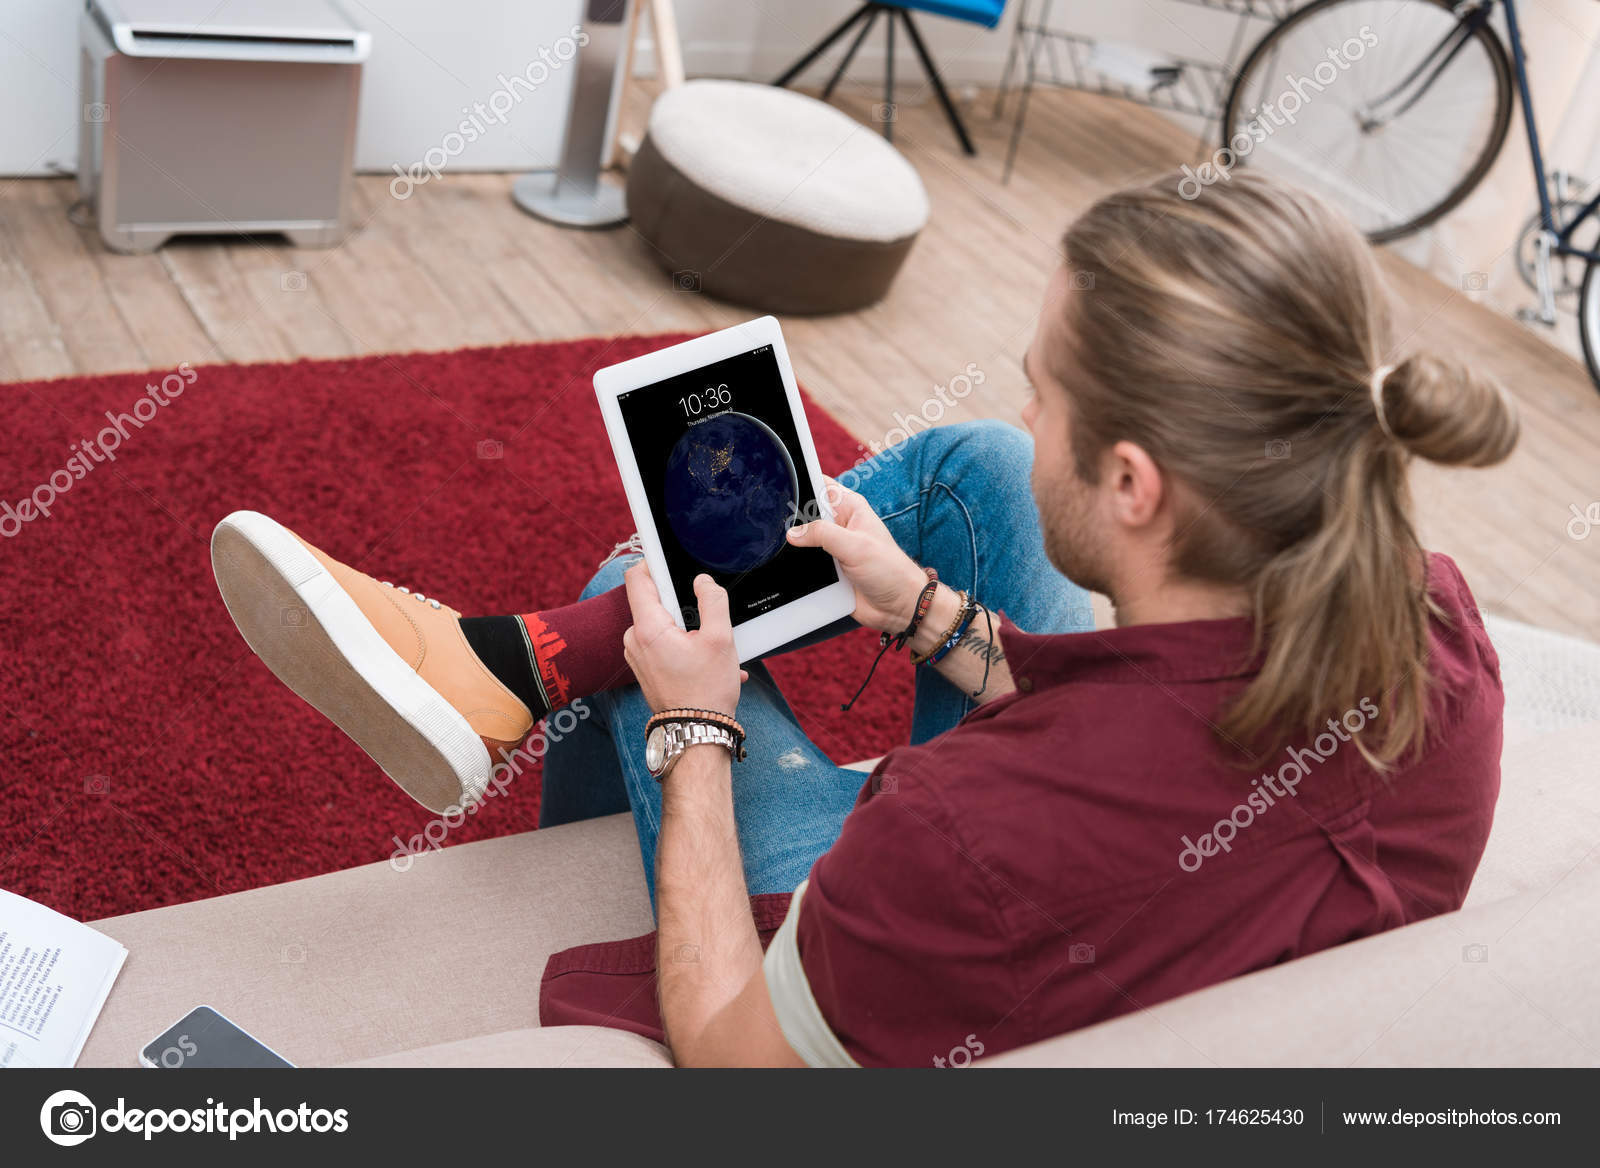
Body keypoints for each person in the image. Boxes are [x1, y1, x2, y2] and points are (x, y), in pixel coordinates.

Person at [211, 171, 1518, 1068]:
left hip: (936, 936)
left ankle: (536, 674)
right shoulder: (1442, 636)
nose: (1035, 406)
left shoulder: (958, 833)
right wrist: (924, 613)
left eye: (1048, 391)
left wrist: (693, 731)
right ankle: (520, 668)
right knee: (980, 470)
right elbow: (1158, 733)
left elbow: (742, 1060)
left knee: (653, 586)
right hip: (1125, 868)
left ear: (1133, 484)